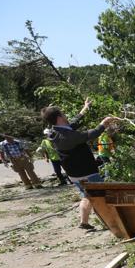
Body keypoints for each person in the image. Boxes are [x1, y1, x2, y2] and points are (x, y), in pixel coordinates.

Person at [42, 98, 118, 230]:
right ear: (59, 117)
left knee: (87, 195)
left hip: (74, 173)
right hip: (86, 172)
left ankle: (84, 222)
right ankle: (111, 222)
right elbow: (90, 134)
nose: (66, 116)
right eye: (63, 114)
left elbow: (73, 124)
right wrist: (103, 124)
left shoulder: (55, 132)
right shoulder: (66, 136)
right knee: (99, 196)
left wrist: (85, 108)